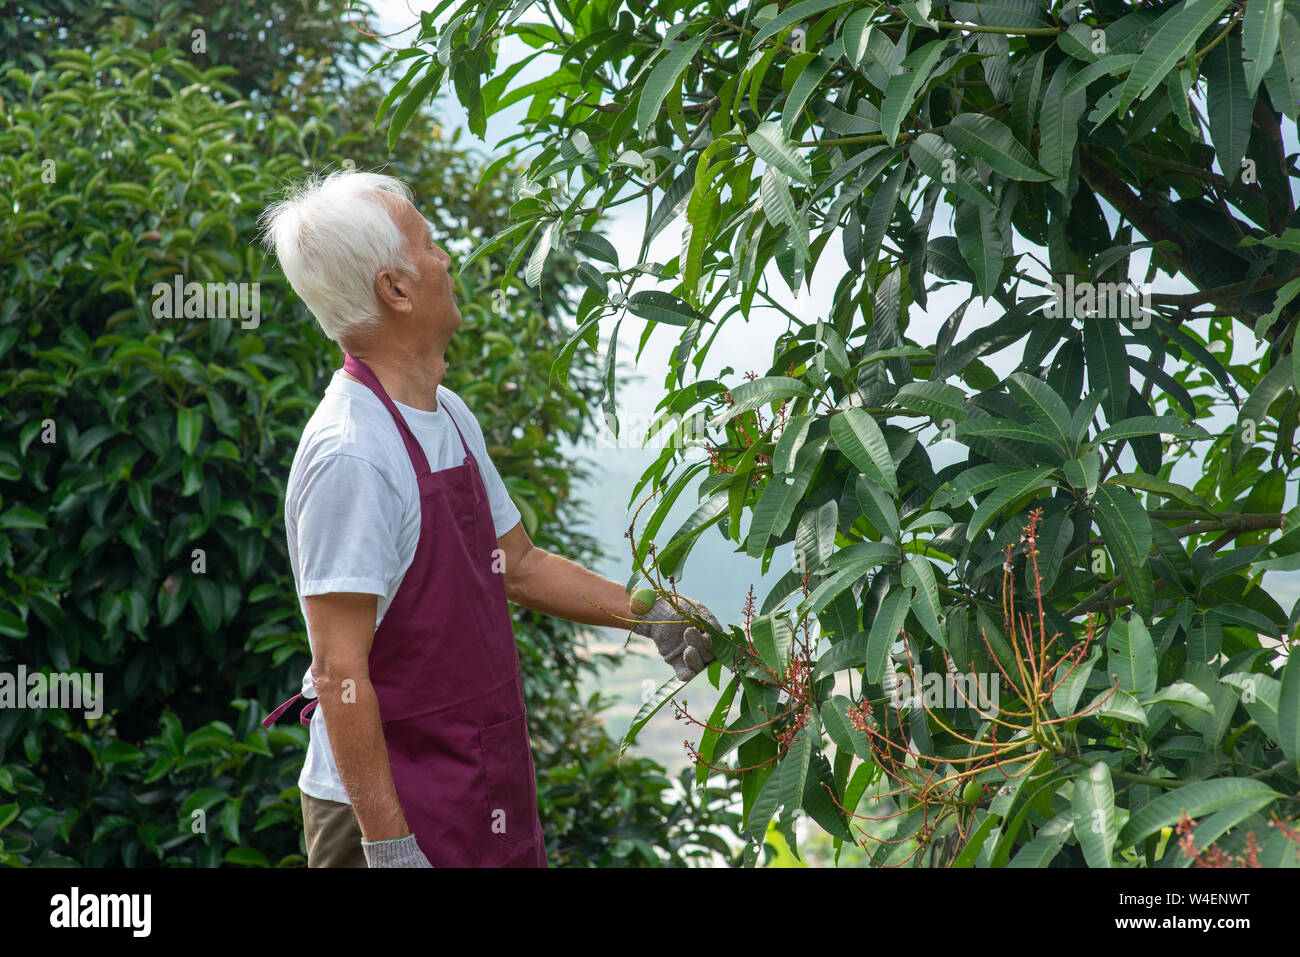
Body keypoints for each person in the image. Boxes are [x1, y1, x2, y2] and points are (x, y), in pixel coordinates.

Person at [256, 168, 721, 867]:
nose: (447, 260)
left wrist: (649, 614)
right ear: (396, 289)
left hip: (476, 776)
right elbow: (338, 670)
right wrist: (390, 846)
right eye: (430, 244)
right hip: (385, 806)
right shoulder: (350, 453)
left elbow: (522, 565)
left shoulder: (448, 414)